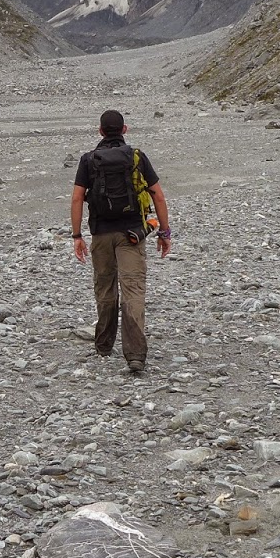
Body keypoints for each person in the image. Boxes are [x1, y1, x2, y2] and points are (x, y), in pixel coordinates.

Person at [70, 109, 171, 376]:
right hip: (132, 235)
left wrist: (77, 236)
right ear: (124, 130)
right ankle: (135, 355)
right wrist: (165, 233)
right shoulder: (137, 157)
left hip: (101, 234)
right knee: (133, 291)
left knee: (105, 288)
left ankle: (103, 345)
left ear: (101, 131)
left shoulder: (89, 160)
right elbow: (158, 196)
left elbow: (77, 198)